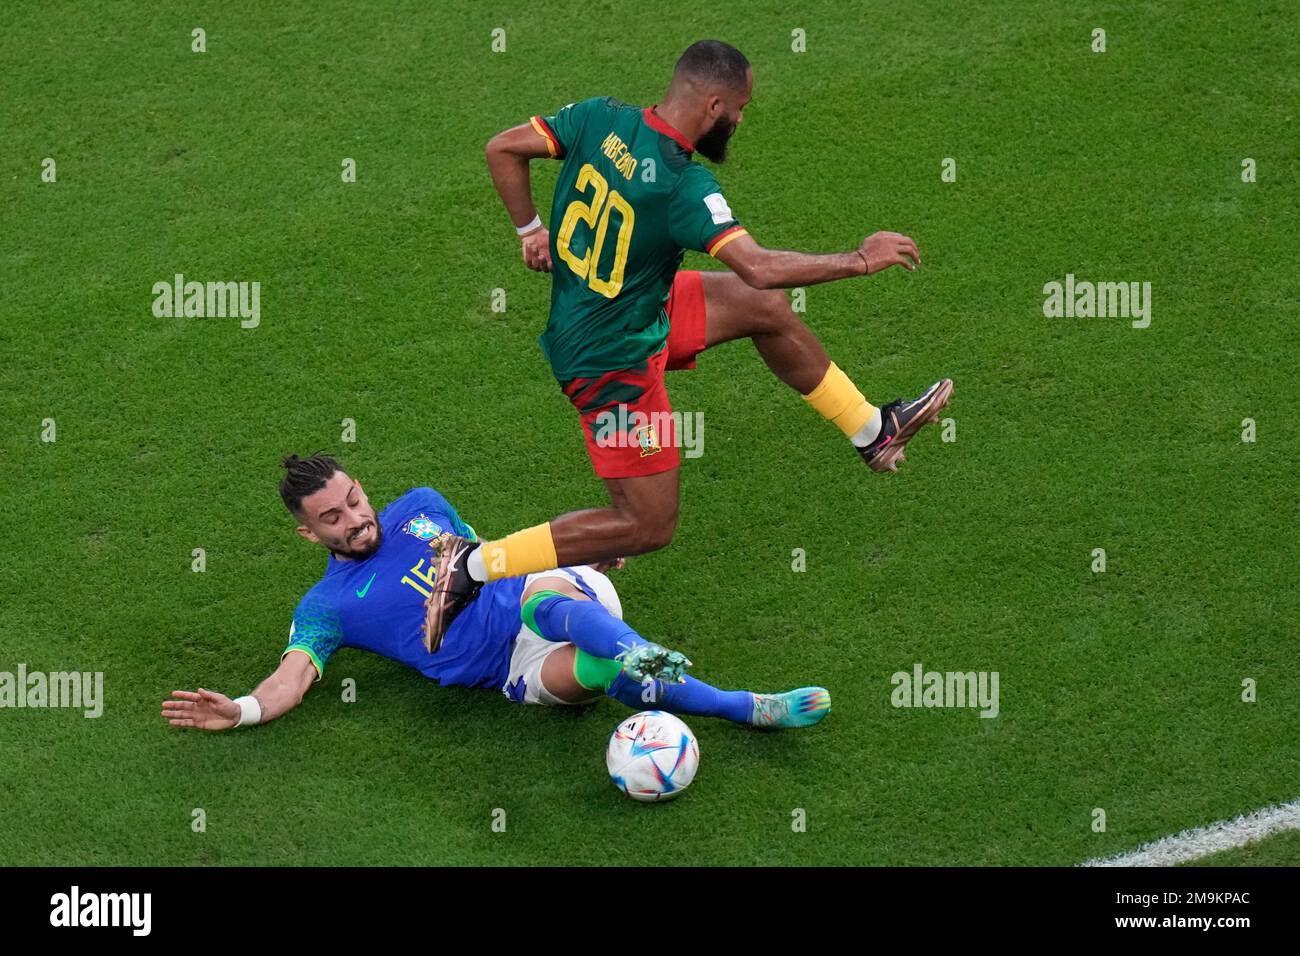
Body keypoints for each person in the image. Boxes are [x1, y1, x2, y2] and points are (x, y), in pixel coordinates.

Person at [423, 39, 951, 648]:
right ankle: (470, 565)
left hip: (633, 307)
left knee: (763, 310)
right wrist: (860, 259)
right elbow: (759, 264)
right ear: (714, 104)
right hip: (611, 363)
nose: (741, 121)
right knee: (646, 525)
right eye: (741, 110)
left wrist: (531, 229)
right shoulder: (681, 185)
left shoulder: (601, 117)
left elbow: (502, 148)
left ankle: (872, 430)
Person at [160, 454, 830, 733]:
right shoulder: (326, 607)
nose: (356, 519)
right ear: (310, 535)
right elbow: (291, 679)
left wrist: (591, 546)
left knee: (555, 606)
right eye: (332, 518)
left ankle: (743, 707)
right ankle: (635, 663)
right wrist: (244, 710)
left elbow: (496, 558)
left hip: (549, 594)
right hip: (512, 669)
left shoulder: (422, 505)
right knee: (598, 671)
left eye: (354, 499)